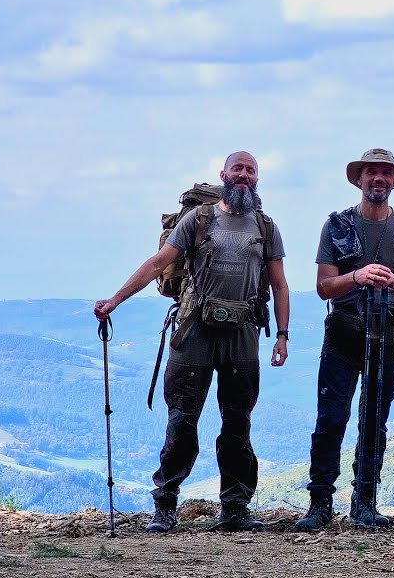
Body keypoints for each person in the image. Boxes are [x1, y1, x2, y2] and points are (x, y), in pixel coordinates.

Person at [94, 151, 290, 533]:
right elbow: (156, 264)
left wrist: (282, 335)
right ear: (224, 175)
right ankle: (165, 506)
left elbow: (280, 284)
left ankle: (235, 508)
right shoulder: (198, 220)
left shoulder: (265, 227)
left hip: (243, 332)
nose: (245, 175)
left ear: (257, 178)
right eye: (239, 169)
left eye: (251, 170)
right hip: (193, 331)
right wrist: (115, 299)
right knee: (182, 422)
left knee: (238, 423)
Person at [294, 149, 394, 531]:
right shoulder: (337, 226)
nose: (379, 179)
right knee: (331, 418)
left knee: (375, 421)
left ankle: (365, 502)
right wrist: (357, 277)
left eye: (385, 174)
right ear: (359, 179)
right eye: (372, 173)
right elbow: (324, 286)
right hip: (343, 331)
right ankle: (320, 503)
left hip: (389, 334)